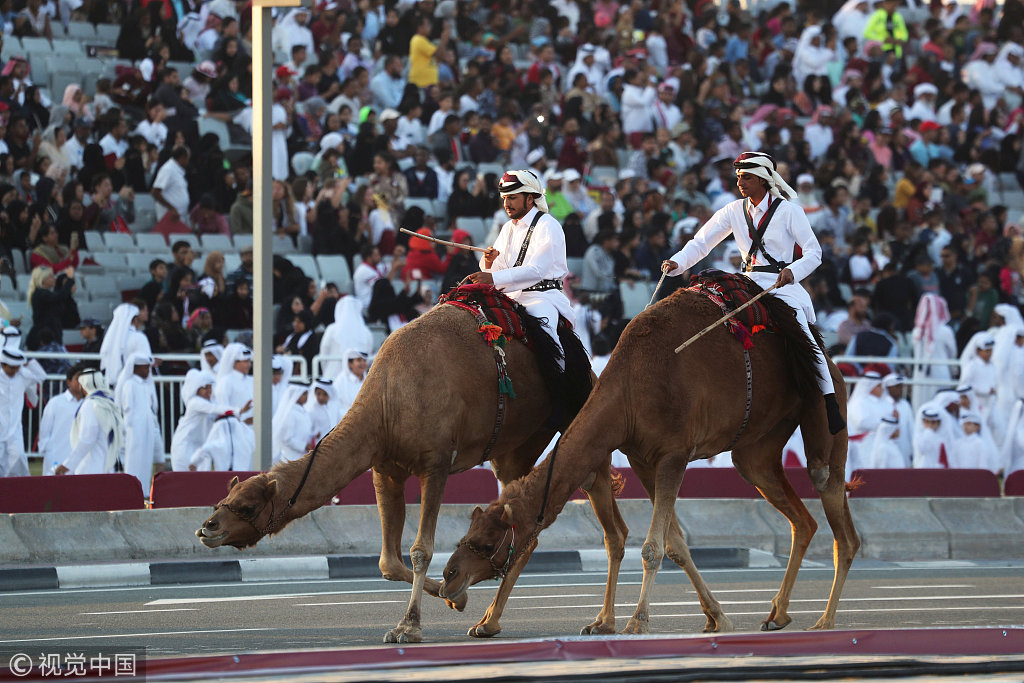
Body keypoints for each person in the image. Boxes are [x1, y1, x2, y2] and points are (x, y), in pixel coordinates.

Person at [661, 151, 845, 434]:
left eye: (746, 177)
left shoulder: (789, 210)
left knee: (801, 330)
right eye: (738, 177)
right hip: (746, 280)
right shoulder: (733, 210)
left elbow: (814, 252)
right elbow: (701, 243)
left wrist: (793, 272)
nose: (740, 182)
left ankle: (828, 399)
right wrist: (678, 262)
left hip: (781, 285)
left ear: (763, 179)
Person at [468, 169, 575, 361]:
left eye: (513, 198)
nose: (506, 204)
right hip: (510, 297)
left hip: (542, 298)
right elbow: (499, 269)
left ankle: (561, 382)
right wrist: (489, 262)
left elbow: (537, 270)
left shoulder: (548, 225)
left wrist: (492, 277)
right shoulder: (508, 228)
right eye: (504, 199)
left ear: (530, 198)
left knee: (548, 338)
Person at [55, 368, 124, 476]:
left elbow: (87, 439)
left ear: (83, 385)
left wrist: (67, 465)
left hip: (91, 468)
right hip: (110, 467)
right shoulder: (110, 403)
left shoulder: (90, 404)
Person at [116, 353, 165, 497]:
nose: (147, 371)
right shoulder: (130, 384)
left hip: (149, 426)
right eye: (144, 368)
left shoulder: (146, 384)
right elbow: (128, 408)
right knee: (135, 461)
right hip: (134, 428)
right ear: (135, 368)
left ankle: (146, 492)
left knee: (148, 460)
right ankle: (132, 493)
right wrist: (129, 428)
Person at [0, 347, 44, 476]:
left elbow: (42, 376)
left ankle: (15, 488)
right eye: (11, 367)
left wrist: (28, 364)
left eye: (17, 367)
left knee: (18, 456)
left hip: (14, 429)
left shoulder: (23, 376)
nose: (15, 370)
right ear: (2, 364)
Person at [38, 363, 86, 472]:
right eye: (78, 378)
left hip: (79, 460)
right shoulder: (56, 402)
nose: (82, 382)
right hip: (56, 456)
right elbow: (45, 430)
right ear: (68, 382)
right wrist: (48, 450)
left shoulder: (89, 404)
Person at [99, 302, 152, 387]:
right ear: (135, 319)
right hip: (137, 385)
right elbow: (146, 361)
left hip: (116, 386)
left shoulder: (111, 340)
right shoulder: (139, 337)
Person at [319, 296, 372, 378]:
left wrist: (327, 370)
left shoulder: (332, 329)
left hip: (332, 376)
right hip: (358, 377)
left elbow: (323, 354)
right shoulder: (366, 332)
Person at [189, 411, 255, 471]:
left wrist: (193, 464)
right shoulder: (246, 444)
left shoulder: (216, 445)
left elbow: (198, 456)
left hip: (221, 478)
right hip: (242, 479)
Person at [271, 379, 314, 464]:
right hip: (290, 457)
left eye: (307, 394)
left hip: (303, 455)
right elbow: (287, 438)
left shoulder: (304, 412)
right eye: (304, 394)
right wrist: (304, 445)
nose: (306, 397)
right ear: (296, 394)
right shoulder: (290, 413)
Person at [214, 343, 254, 421]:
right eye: (245, 362)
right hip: (235, 427)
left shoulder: (252, 380)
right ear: (235, 362)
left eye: (249, 361)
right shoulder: (225, 382)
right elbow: (222, 408)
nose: (249, 365)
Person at [306, 377, 341, 443]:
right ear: (315, 393)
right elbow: (307, 430)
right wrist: (315, 433)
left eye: (325, 394)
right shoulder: (311, 410)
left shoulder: (334, 407)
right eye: (318, 394)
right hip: (318, 445)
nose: (321, 397)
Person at [335, 348, 368, 417]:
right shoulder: (341, 381)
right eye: (359, 360)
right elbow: (336, 406)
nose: (362, 363)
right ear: (350, 364)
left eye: (364, 360)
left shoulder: (369, 380)